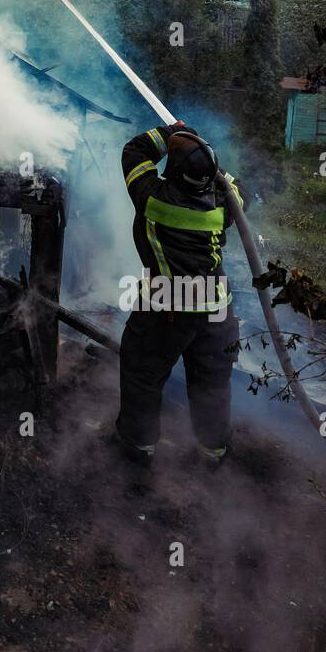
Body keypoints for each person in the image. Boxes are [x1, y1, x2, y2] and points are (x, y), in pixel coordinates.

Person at [116, 120, 246, 467]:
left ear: (171, 171)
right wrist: (206, 159)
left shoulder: (152, 198)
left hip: (165, 310)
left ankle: (137, 448)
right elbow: (234, 186)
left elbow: (134, 151)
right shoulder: (224, 206)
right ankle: (213, 454)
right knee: (212, 386)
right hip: (217, 314)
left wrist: (169, 131)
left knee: (142, 375)